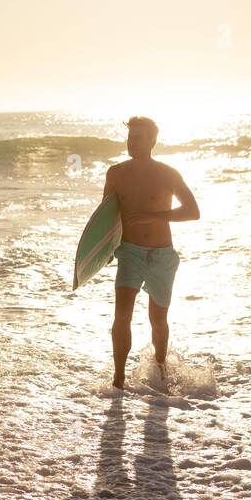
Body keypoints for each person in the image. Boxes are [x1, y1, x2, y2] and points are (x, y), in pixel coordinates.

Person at [104, 117, 200, 389]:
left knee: (158, 320)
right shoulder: (116, 173)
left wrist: (152, 217)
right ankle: (119, 378)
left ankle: (160, 370)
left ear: (152, 142)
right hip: (130, 252)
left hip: (161, 256)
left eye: (138, 137)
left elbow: (193, 211)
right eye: (130, 137)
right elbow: (106, 215)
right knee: (122, 316)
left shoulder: (167, 173)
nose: (131, 142)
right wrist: (105, 248)